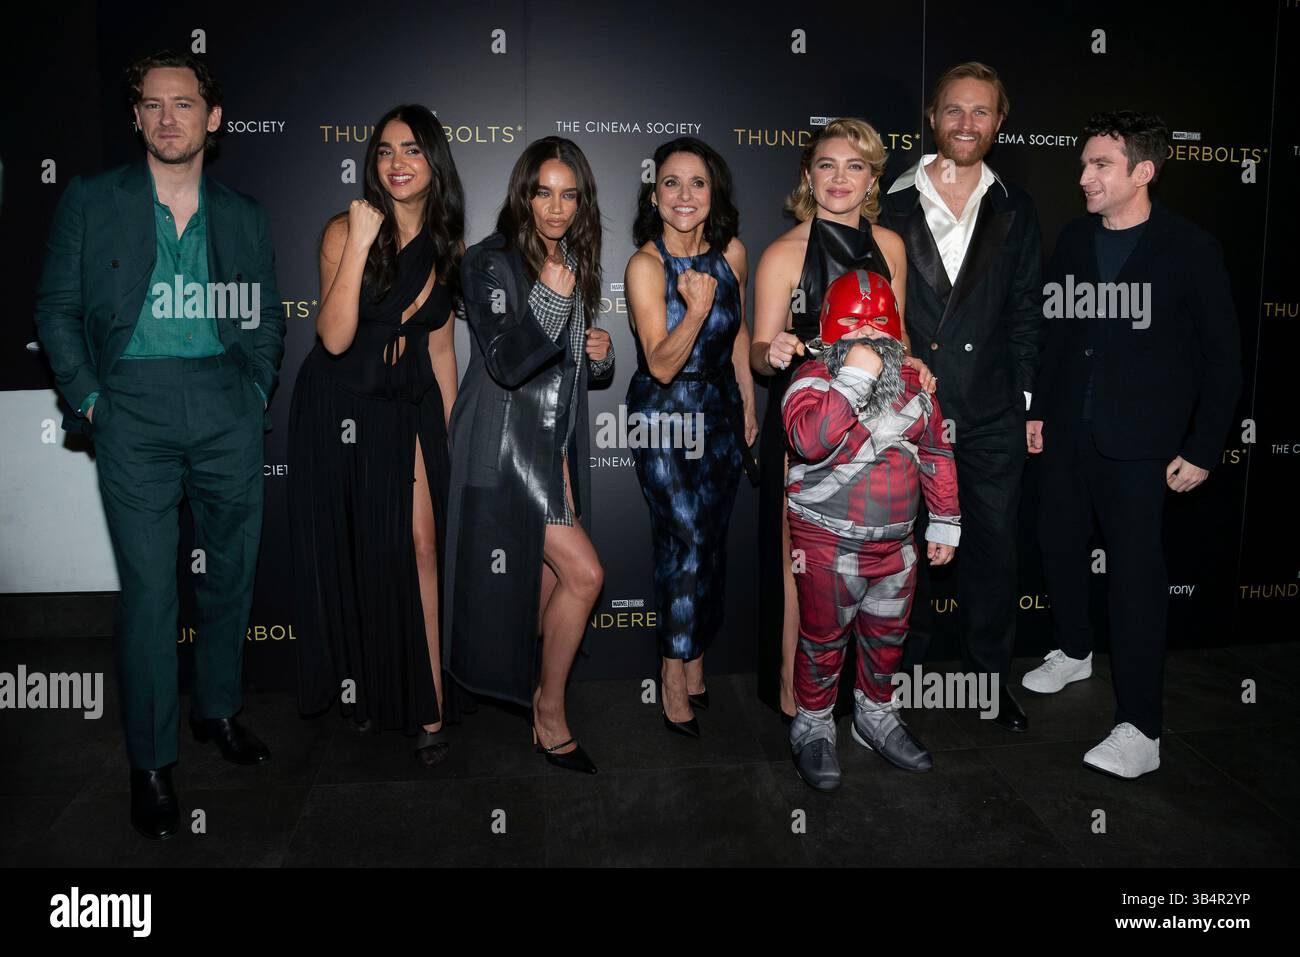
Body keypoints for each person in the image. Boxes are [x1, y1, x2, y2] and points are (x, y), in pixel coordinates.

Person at [33, 51, 286, 839]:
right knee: (148, 591)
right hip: (131, 408)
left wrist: (251, 390)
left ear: (213, 119)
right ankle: (151, 761)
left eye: (184, 103)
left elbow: (269, 314)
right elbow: (55, 308)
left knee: (230, 573)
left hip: (224, 400)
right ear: (137, 116)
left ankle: (217, 710)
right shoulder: (92, 198)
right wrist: (93, 400)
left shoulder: (243, 213)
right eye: (153, 104)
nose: (168, 117)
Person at [1026, 111, 1242, 778]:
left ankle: (1141, 728)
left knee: (1135, 579)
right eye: (1085, 163)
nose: (1084, 176)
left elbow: (1223, 357)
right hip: (1066, 432)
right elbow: (1055, 331)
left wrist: (1205, 446)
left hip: (1141, 445)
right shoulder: (1075, 239)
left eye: (1100, 165)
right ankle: (1074, 649)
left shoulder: (1189, 247)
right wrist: (1037, 407)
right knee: (1058, 545)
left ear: (1142, 172)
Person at [288, 104, 463, 767]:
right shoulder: (344, 229)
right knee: (359, 553)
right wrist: (361, 241)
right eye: (386, 151)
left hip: (407, 404)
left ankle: (430, 705)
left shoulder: (448, 244)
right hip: (340, 405)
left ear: (434, 162)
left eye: (412, 149)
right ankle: (366, 693)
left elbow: (444, 351)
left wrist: (448, 436)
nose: (397, 162)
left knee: (421, 545)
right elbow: (332, 336)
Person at [879, 62, 1044, 732]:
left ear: (999, 123)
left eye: (981, 112)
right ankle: (900, 679)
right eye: (954, 110)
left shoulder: (1015, 204)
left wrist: (1028, 405)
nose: (966, 124)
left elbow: (1028, 312)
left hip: (991, 411)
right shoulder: (887, 201)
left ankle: (986, 681)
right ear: (932, 117)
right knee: (904, 549)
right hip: (907, 409)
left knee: (993, 552)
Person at [751, 117, 933, 722]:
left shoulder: (892, 247)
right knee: (800, 565)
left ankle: (866, 702)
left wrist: (918, 368)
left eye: (855, 167)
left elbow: (897, 337)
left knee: (877, 564)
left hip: (878, 428)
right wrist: (770, 351)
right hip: (810, 423)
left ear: (873, 179)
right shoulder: (783, 253)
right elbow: (757, 347)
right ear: (808, 174)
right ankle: (793, 697)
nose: (839, 178)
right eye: (827, 165)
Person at [443, 137, 614, 774]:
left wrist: (599, 356)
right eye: (544, 191)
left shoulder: (568, 257)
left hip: (552, 443)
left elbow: (567, 368)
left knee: (542, 594)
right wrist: (549, 297)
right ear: (523, 192)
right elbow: (508, 363)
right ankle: (549, 712)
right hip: (505, 445)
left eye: (569, 194)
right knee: (586, 576)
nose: (556, 206)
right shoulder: (488, 261)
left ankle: (536, 694)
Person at [783, 269, 960, 791]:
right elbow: (810, 440)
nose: (870, 342)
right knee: (822, 640)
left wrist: (946, 523)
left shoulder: (915, 383)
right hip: (825, 542)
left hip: (896, 547)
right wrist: (854, 378)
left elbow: (937, 451)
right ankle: (812, 726)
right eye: (856, 332)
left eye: (879, 333)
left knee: (887, 640)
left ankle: (875, 716)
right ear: (832, 334)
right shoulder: (811, 379)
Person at [625, 137, 758, 737]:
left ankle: (697, 652)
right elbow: (658, 362)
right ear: (655, 195)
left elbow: (738, 335)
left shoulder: (732, 254)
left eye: (697, 183)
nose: (685, 195)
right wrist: (697, 310)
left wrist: (749, 407)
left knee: (710, 539)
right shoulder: (646, 264)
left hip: (722, 412)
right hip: (664, 414)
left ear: (713, 194)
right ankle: (671, 672)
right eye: (672, 183)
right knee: (682, 538)